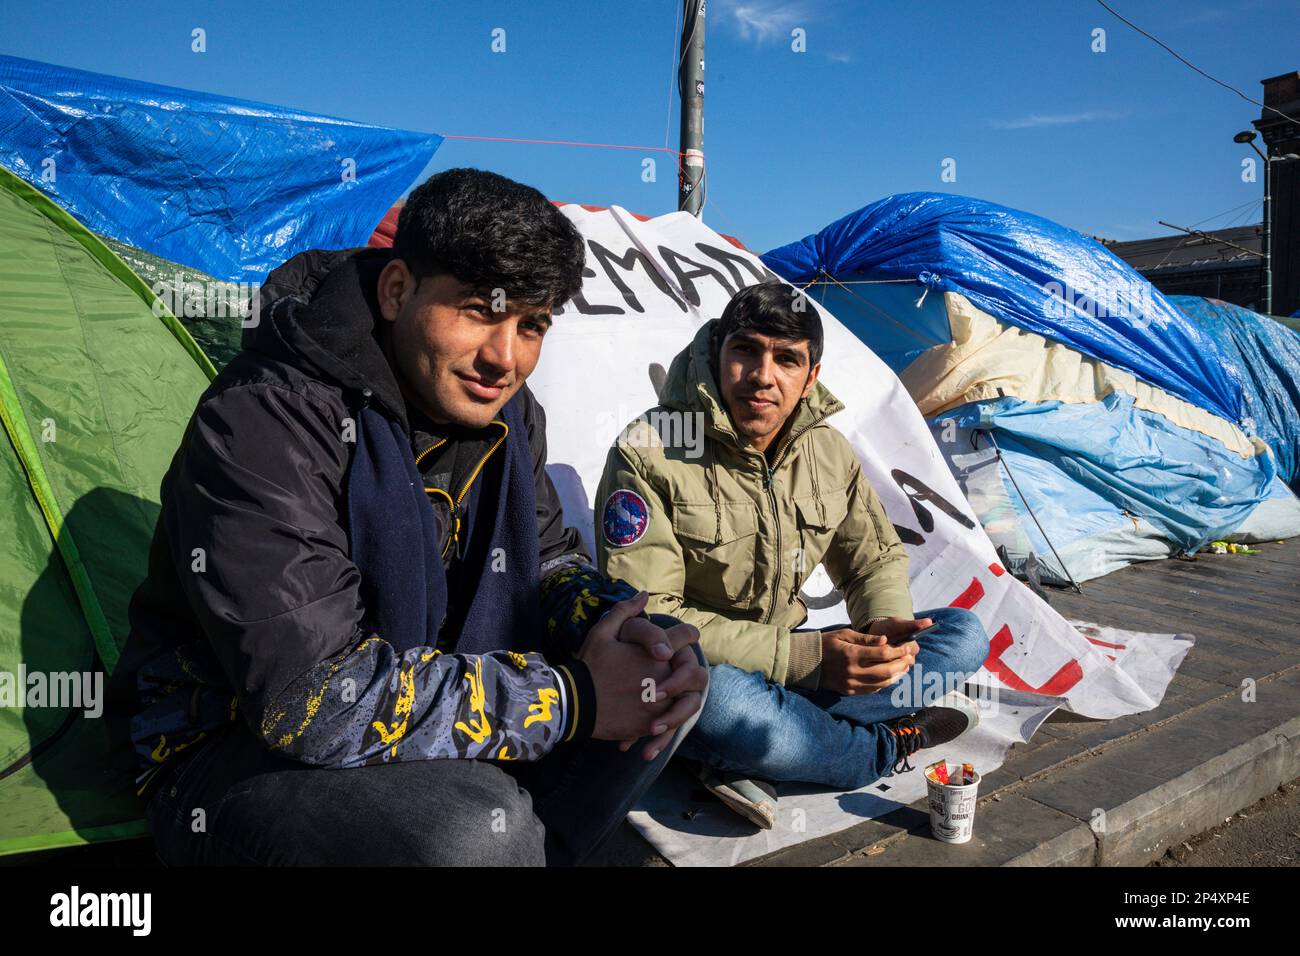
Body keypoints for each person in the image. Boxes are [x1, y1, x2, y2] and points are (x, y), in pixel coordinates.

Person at [108, 168, 708, 866]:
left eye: (532, 323)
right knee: (471, 833)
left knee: (667, 669)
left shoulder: (510, 413)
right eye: (480, 311)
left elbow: (548, 560)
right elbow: (309, 697)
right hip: (226, 748)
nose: (504, 357)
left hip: (424, 695)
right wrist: (570, 699)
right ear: (397, 291)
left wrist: (622, 626)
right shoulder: (268, 418)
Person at [594, 281, 988, 828]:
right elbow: (651, 621)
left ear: (811, 376)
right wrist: (806, 659)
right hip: (709, 671)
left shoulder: (825, 448)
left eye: (786, 359)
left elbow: (871, 558)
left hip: (801, 670)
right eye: (746, 350)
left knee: (964, 635)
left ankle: (769, 750)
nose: (762, 376)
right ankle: (885, 744)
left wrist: (883, 626)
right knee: (723, 708)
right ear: (717, 352)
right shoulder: (651, 449)